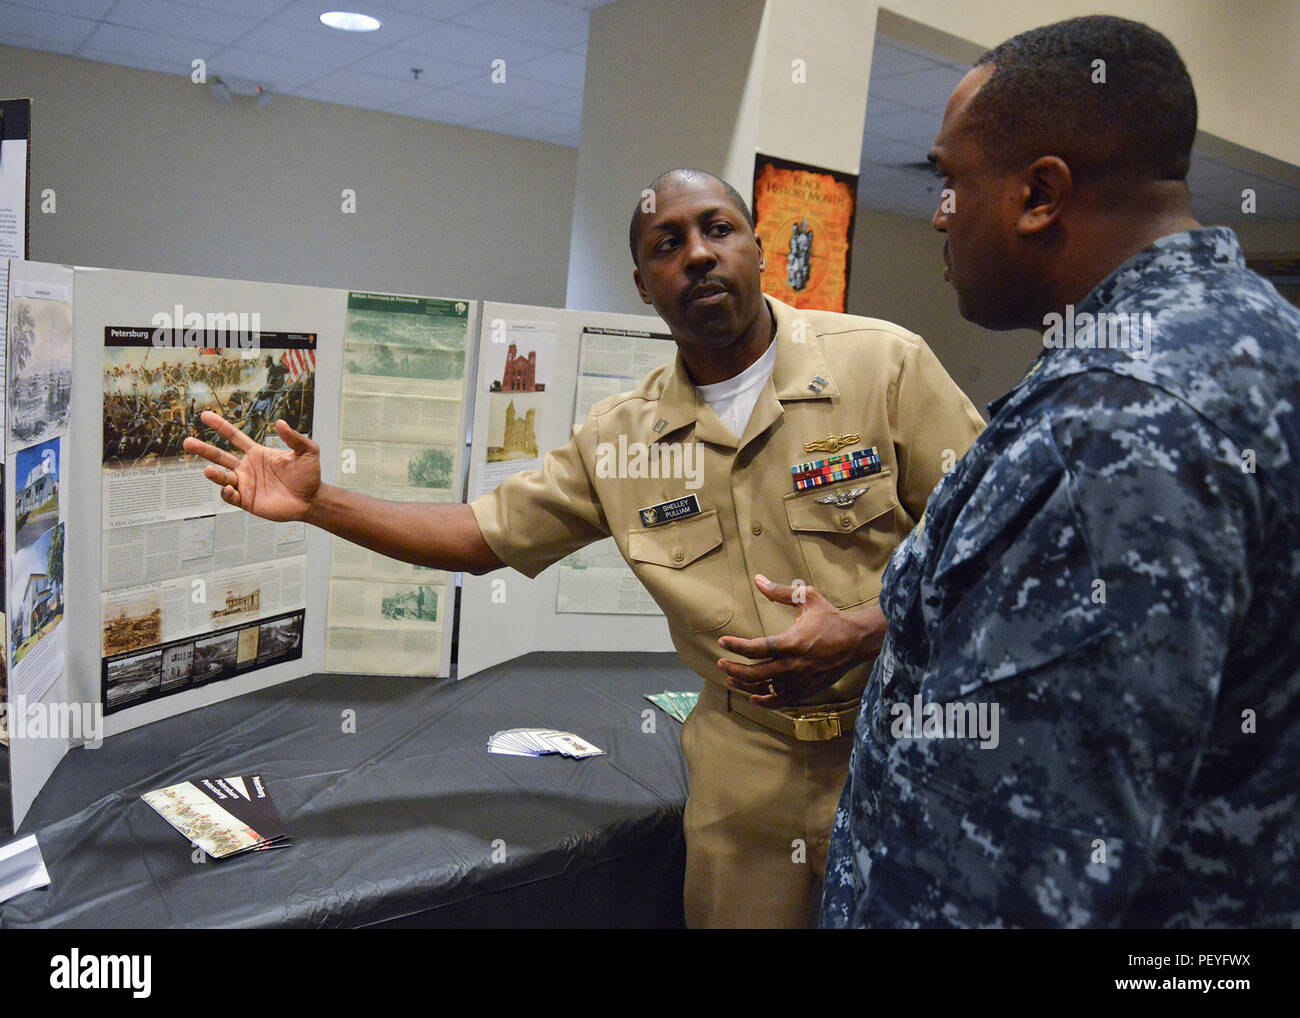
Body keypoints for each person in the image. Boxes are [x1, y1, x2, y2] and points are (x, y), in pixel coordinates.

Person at [185, 168, 985, 927]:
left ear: (759, 249)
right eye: (666, 244)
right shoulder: (620, 441)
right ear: (643, 285)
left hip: (901, 736)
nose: (698, 253)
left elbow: (995, 552)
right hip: (748, 771)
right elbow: (477, 537)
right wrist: (321, 503)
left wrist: (864, 628)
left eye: (718, 229)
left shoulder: (884, 365)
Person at [823, 15, 1300, 928]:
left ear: (1040, 194)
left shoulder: (1113, 427)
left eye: (953, 180)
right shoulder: (1259, 339)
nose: (940, 213)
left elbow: (1015, 872)